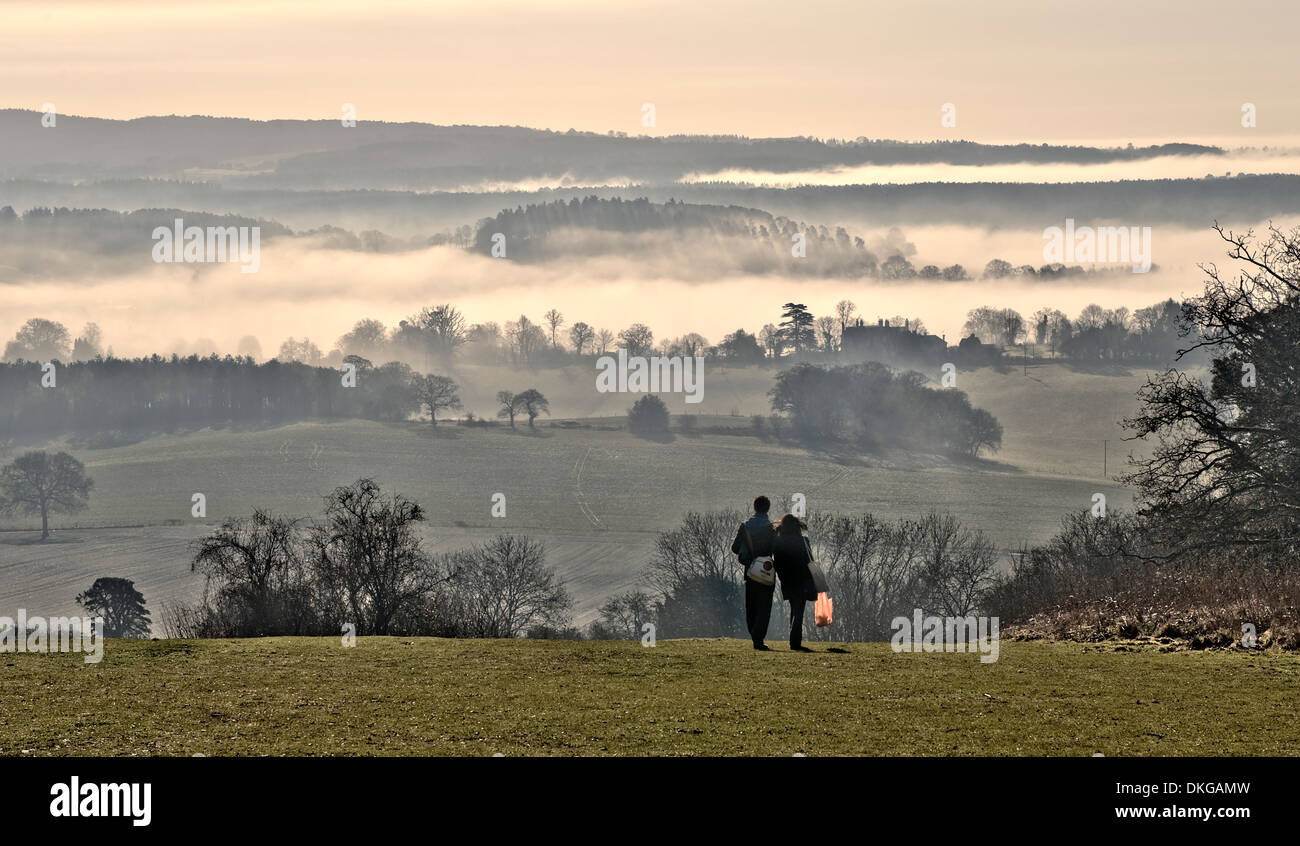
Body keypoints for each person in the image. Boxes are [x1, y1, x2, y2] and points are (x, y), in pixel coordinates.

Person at [731, 495, 776, 650]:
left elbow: (735, 548)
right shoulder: (771, 528)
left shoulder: (745, 526)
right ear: (768, 508)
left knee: (751, 605)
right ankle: (759, 637)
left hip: (750, 572)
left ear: (755, 507)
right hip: (767, 572)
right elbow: (775, 549)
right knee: (764, 606)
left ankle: (753, 635)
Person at [772, 513, 817, 652]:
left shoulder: (778, 542)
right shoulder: (803, 541)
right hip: (802, 580)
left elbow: (777, 563)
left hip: (787, 580)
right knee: (799, 611)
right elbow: (810, 561)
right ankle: (795, 641)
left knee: (794, 608)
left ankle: (794, 639)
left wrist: (782, 576)